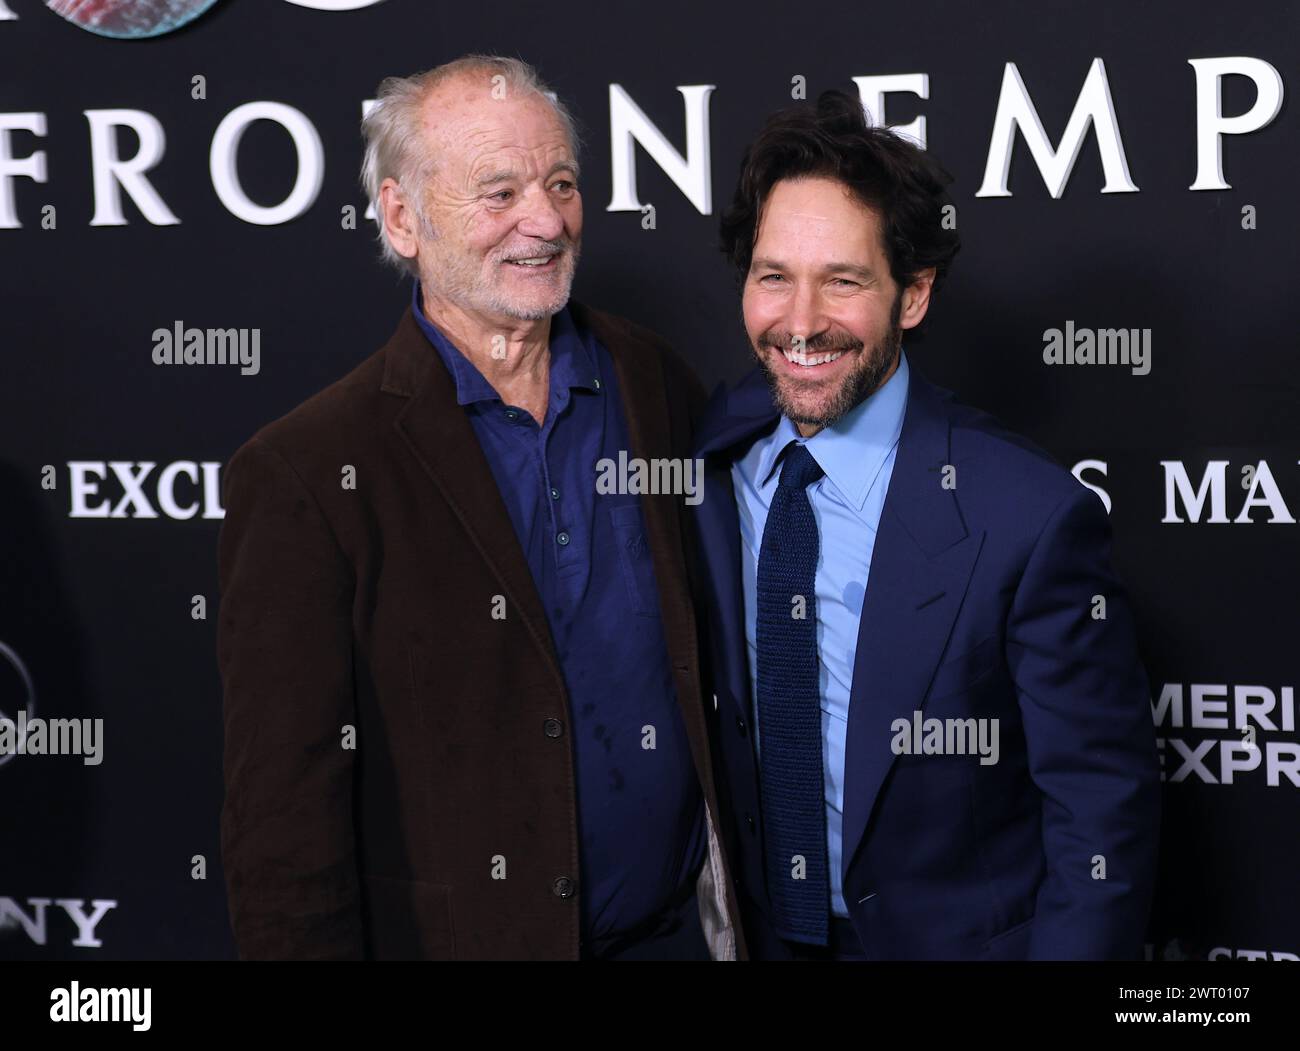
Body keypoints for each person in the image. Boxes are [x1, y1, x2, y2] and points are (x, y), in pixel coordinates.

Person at [217, 55, 739, 960]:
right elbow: (283, 824)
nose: (545, 221)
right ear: (402, 217)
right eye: (499, 193)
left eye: (562, 183)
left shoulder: (651, 380)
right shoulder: (308, 471)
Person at [693, 89, 1160, 960]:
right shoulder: (709, 462)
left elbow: (1101, 815)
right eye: (773, 277)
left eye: (843, 279)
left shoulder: (1028, 516)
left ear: (912, 295)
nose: (800, 322)